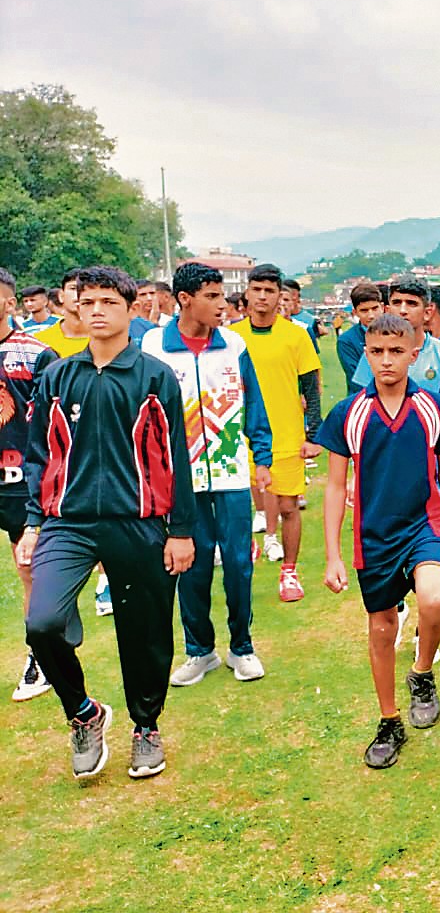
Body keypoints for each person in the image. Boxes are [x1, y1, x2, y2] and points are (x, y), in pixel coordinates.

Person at [20, 265, 195, 780]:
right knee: (42, 622)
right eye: (88, 302)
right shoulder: (57, 377)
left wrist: (181, 530)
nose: (97, 311)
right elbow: (39, 455)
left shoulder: (155, 377)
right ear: (75, 307)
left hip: (138, 522)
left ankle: (146, 727)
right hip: (67, 522)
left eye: (108, 303)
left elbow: (177, 459)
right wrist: (32, 522)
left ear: (130, 309)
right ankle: (84, 714)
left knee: (144, 633)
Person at [320, 313, 440, 768]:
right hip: (374, 536)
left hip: (425, 525)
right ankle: (389, 720)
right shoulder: (349, 413)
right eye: (378, 352)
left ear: (414, 355)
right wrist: (332, 556)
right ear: (366, 354)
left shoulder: (433, 407)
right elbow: (334, 486)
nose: (387, 360)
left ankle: (422, 672)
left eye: (396, 351)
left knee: (434, 599)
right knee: (382, 627)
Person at [141, 262, 274, 687]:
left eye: (221, 296)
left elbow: (254, 403)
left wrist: (263, 458)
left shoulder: (233, 344)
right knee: (191, 565)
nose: (222, 305)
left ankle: (242, 647)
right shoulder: (153, 346)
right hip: (180, 479)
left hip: (231, 471)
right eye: (212, 297)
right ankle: (200, 651)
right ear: (185, 300)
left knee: (239, 564)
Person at [228, 264, 322, 601]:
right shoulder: (231, 337)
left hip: (286, 435)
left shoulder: (296, 335)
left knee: (288, 506)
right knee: (236, 506)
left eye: (270, 291)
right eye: (257, 290)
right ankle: (246, 556)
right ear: (247, 293)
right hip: (239, 437)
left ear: (280, 296)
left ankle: (289, 572)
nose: (263, 297)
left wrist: (313, 435)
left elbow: (311, 386)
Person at [352, 279, 440, 509]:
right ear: (388, 308)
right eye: (397, 303)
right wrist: (356, 474)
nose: (403, 310)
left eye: (411, 303)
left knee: (436, 527)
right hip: (383, 464)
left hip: (434, 465)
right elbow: (363, 417)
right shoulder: (375, 356)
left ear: (427, 311)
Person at [2, 269, 59, 702]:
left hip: (21, 482)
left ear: (9, 302)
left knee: (29, 571)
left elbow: (53, 425)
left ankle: (41, 657)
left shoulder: (36, 355)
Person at [336, 283, 384, 395]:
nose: (371, 315)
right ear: (355, 312)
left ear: (382, 307)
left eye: (375, 308)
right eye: (364, 310)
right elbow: (356, 380)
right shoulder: (346, 341)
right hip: (364, 398)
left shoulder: (396, 334)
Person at [39, 272, 92, 358]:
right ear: (61, 296)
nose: (79, 293)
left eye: (84, 289)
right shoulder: (41, 341)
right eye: (73, 288)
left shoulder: (107, 340)